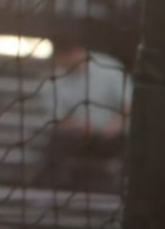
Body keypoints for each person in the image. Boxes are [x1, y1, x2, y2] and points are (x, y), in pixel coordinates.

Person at [34, 33, 130, 193]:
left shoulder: (108, 67)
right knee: (57, 140)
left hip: (114, 135)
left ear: (76, 51)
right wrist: (80, 127)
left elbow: (128, 103)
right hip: (79, 136)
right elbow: (57, 118)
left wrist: (115, 125)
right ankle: (54, 187)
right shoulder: (54, 78)